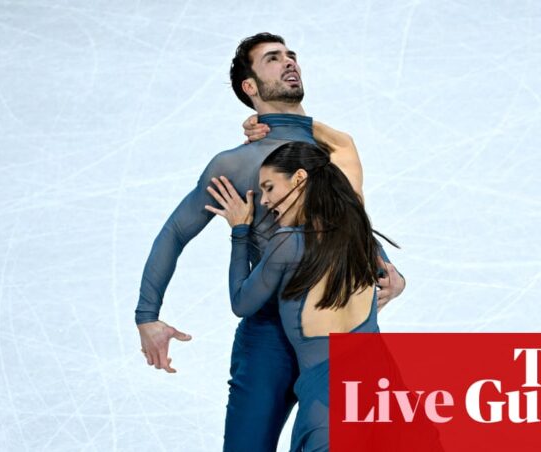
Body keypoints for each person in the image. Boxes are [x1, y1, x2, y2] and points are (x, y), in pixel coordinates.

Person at [133, 33, 406, 451]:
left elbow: (349, 220)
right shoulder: (235, 163)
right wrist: (147, 315)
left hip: (337, 334)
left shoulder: (327, 149)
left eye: (291, 55)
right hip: (267, 340)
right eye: (273, 59)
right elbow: (175, 231)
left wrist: (386, 267)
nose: (289, 62)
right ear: (250, 86)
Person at [205, 141, 383, 452]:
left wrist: (240, 231)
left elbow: (241, 302)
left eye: (269, 187)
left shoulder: (287, 242)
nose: (265, 201)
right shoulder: (361, 233)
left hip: (327, 412)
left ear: (299, 178)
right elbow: (345, 144)